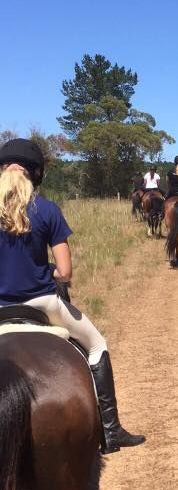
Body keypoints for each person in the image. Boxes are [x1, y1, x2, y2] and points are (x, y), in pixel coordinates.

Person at [0, 138, 144, 454]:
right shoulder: (47, 209)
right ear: (35, 174)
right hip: (43, 304)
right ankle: (111, 432)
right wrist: (46, 270)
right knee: (96, 345)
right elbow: (65, 273)